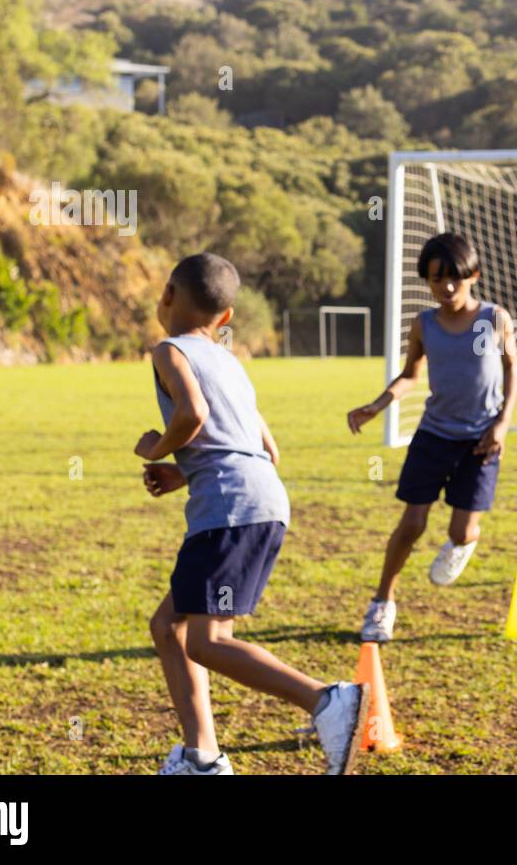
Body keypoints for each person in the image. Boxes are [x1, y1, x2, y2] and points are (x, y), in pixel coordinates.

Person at [140, 252, 369, 775]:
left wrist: (157, 449)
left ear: (168, 295)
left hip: (229, 511)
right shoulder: (232, 363)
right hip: (260, 500)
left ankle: (326, 701)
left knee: (208, 639)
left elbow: (194, 415)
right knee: (168, 626)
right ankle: (201, 757)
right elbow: (265, 447)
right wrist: (186, 472)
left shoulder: (168, 351)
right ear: (225, 319)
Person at [347, 233, 517, 642]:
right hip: (433, 436)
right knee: (412, 523)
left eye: (454, 280)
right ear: (425, 280)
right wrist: (378, 404)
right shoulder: (424, 324)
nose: (445, 288)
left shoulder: (494, 318)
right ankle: (381, 604)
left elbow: (513, 368)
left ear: (473, 276)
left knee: (462, 533)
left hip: (481, 440)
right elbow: (411, 374)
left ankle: (462, 542)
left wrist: (502, 423)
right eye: (435, 280)